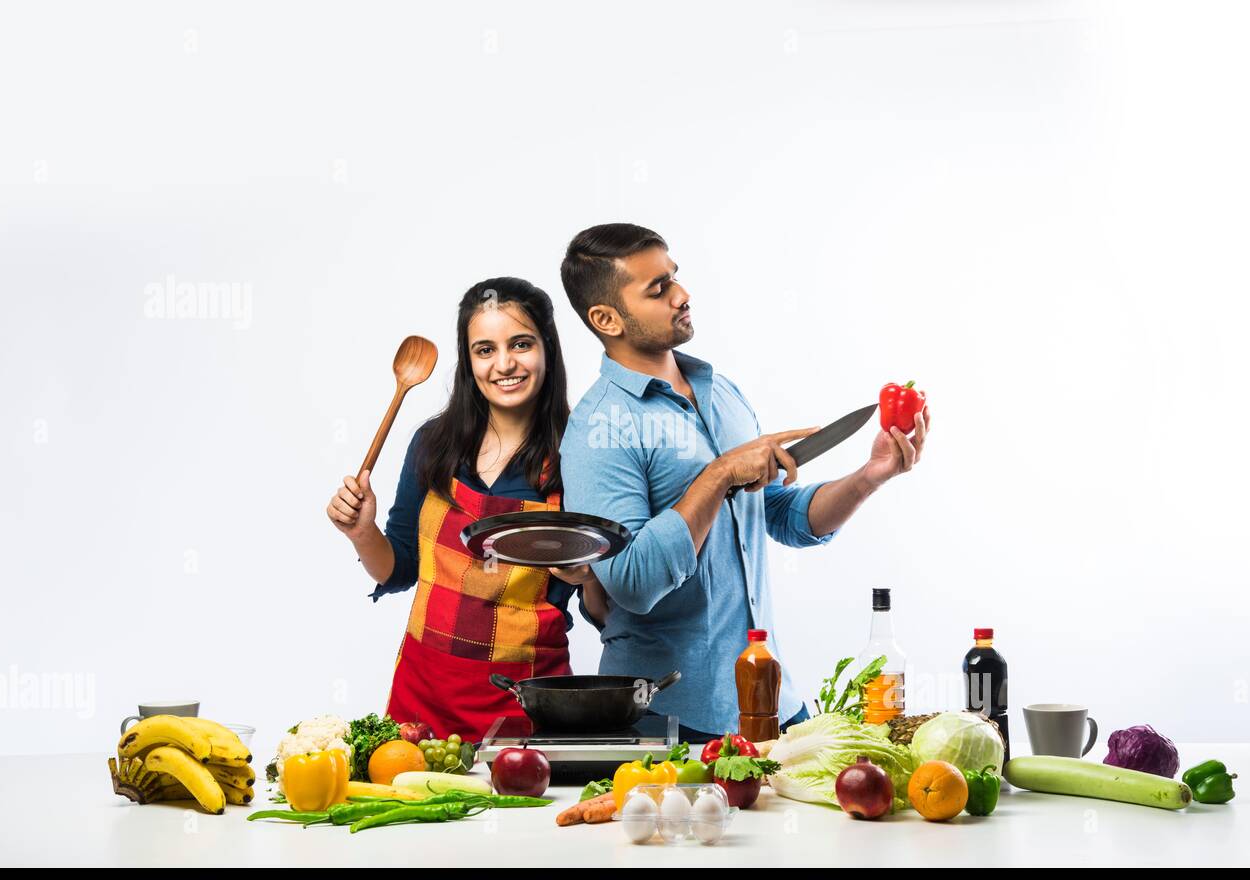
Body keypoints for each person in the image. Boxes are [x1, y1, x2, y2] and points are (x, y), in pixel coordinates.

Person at [557, 224, 930, 743]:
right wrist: (719, 474)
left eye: (675, 279)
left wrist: (871, 476)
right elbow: (631, 583)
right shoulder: (597, 429)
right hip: (671, 720)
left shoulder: (720, 391)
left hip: (773, 704)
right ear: (605, 319)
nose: (682, 296)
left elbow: (780, 514)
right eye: (657, 289)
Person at [326, 277, 608, 741]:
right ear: (468, 360)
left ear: (548, 350)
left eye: (521, 344)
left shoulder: (578, 458)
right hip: (420, 705)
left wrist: (587, 577)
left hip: (527, 708)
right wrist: (362, 531)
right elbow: (397, 570)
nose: (504, 364)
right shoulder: (432, 445)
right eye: (485, 350)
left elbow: (605, 612)